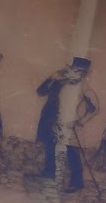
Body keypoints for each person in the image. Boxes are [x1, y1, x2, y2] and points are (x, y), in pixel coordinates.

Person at [36, 57, 97, 192]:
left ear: (83, 73)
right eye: (73, 70)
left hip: (68, 125)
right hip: (52, 120)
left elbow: (94, 109)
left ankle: (77, 182)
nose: (73, 73)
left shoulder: (85, 89)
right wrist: (52, 78)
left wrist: (80, 121)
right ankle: (49, 172)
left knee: (71, 152)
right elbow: (40, 92)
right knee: (50, 145)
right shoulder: (58, 82)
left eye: (78, 72)